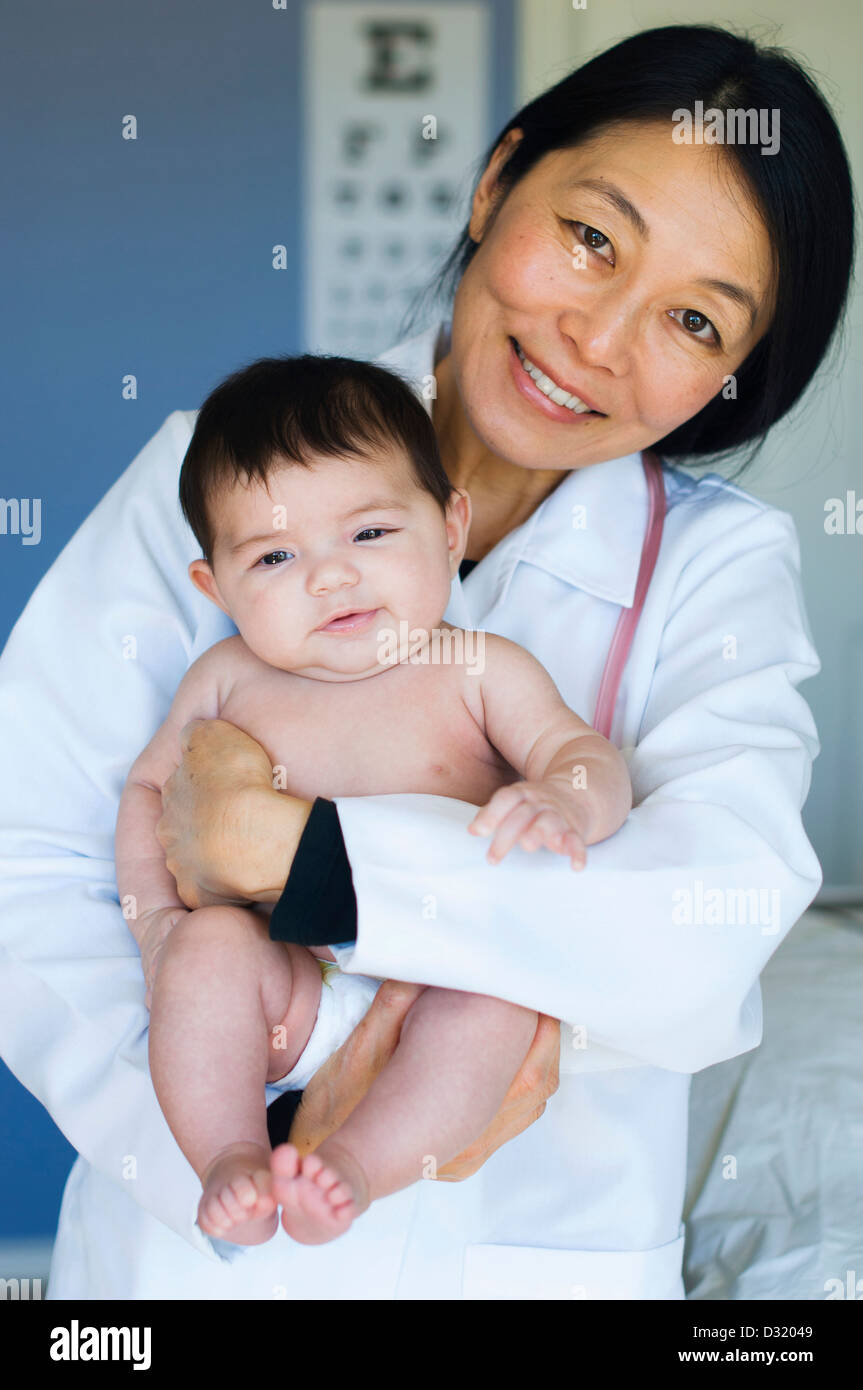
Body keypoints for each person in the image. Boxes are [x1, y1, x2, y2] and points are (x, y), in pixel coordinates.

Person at [0, 24, 854, 1299]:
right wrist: (217, 1148)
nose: (598, 337)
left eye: (687, 319)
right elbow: (29, 860)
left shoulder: (714, 571)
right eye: (589, 237)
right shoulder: (218, 476)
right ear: (498, 176)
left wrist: (304, 856)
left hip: (531, 1265)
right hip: (185, 1263)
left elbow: (702, 935)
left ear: (730, 380)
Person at [116, 354, 633, 1247]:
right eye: (275, 555)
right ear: (217, 589)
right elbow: (148, 791)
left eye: (368, 535)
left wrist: (562, 797)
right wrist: (157, 921)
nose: (329, 576)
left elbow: (581, 753)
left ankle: (353, 1167)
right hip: (286, 994)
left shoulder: (476, 669)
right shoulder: (225, 677)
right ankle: (232, 1158)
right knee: (205, 951)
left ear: (447, 527)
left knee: (496, 997)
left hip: (438, 983)